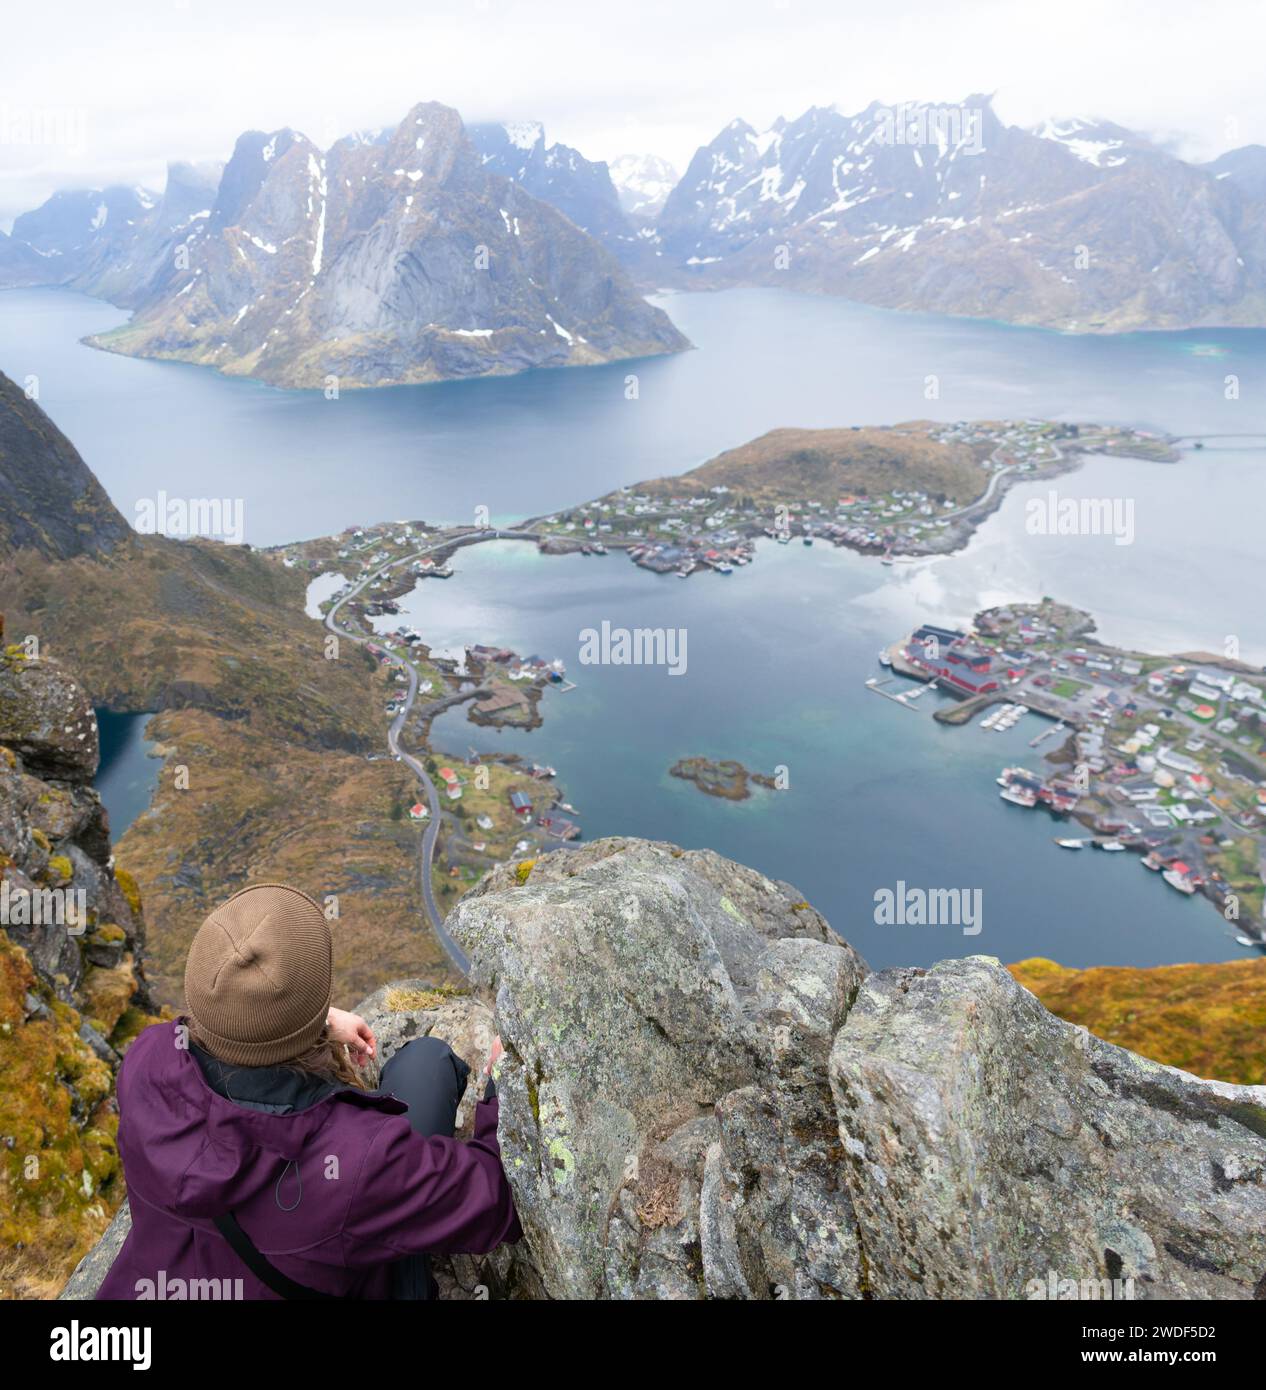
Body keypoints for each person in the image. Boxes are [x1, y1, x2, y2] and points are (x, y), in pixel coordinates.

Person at [97, 882, 520, 1300]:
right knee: (425, 1064)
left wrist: (301, 1023)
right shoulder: (357, 1163)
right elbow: (498, 1201)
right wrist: (511, 1077)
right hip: (341, 1230)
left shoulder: (146, 1061)